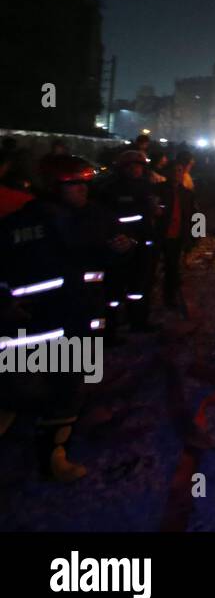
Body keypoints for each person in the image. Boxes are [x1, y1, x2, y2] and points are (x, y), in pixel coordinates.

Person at [0, 156, 128, 482]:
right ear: (53, 187)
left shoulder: (94, 217)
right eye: (73, 184)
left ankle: (54, 454)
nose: (82, 189)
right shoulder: (22, 223)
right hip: (36, 322)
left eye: (85, 182)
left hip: (76, 316)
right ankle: (44, 452)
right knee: (32, 389)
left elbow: (104, 256)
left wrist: (119, 249)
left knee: (68, 387)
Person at [98, 149, 160, 336]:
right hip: (120, 245)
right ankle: (109, 330)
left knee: (140, 286)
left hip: (143, 244)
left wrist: (156, 211)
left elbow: (151, 212)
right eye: (132, 166)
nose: (136, 169)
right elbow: (107, 218)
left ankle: (138, 322)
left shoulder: (146, 186)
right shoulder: (111, 189)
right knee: (114, 288)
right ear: (123, 168)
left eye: (139, 166)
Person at [155, 152, 196, 316]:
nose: (176, 174)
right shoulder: (158, 190)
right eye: (173, 170)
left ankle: (169, 298)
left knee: (172, 268)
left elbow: (194, 215)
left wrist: (194, 237)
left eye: (179, 170)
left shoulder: (187, 194)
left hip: (176, 236)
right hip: (159, 235)